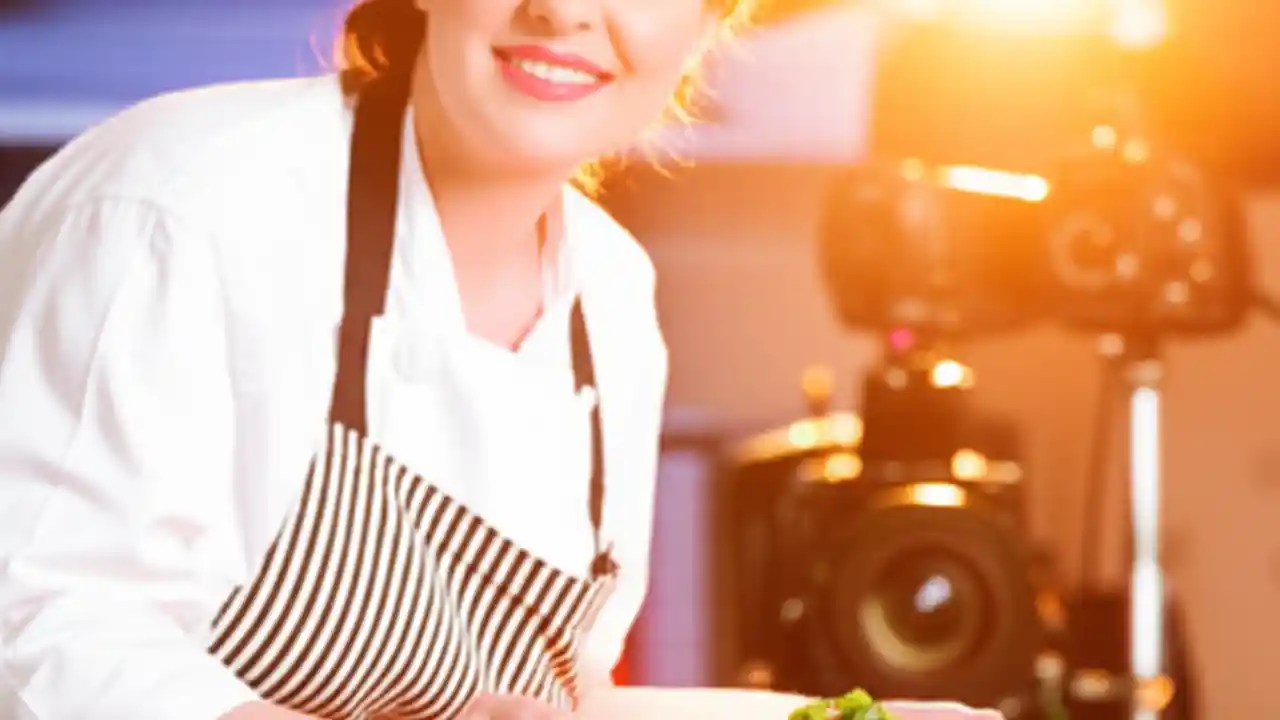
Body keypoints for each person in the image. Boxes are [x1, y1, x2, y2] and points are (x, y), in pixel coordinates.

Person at [0, 0, 1002, 718]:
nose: (561, 11)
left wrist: (820, 718)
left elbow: (565, 704)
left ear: (708, 21)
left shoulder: (609, 295)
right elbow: (41, 640)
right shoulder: (180, 204)